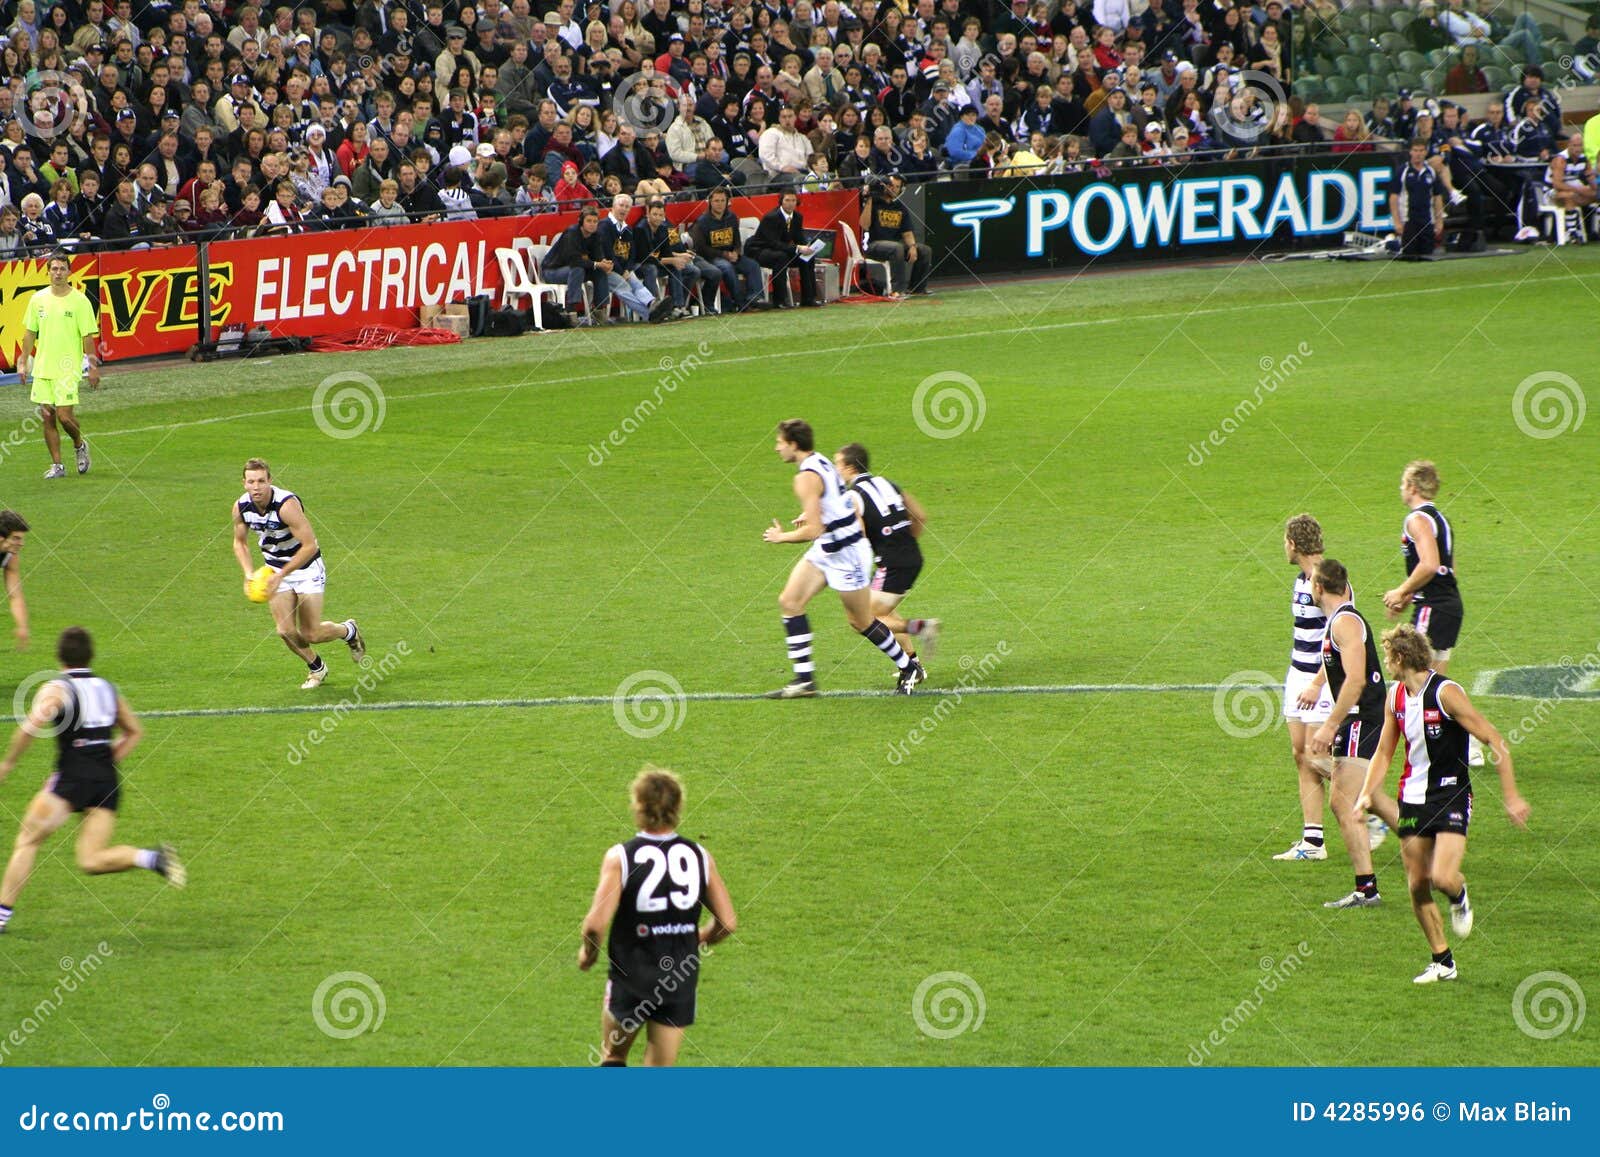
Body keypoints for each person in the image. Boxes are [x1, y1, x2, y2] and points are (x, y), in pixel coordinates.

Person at [1355, 624, 1530, 983]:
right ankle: (1442, 961)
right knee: (1417, 885)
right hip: (1411, 800)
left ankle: (1458, 892)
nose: (1385, 663)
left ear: (1400, 657)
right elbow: (1385, 750)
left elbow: (1494, 739)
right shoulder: (1395, 697)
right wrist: (1366, 792)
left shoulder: (1446, 693)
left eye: (1388, 656)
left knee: (1442, 877)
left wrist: (1511, 795)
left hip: (1450, 795)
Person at [0, 627, 186, 935]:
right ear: (91, 656)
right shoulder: (107, 688)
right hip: (105, 780)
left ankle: (1, 916)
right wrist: (102, 762)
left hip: (71, 780)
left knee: (29, 840)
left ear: (59, 656)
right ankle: (153, 858)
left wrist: (7, 764)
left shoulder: (57, 688)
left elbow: (30, 728)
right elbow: (134, 732)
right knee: (91, 860)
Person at [578, 767, 737, 1066]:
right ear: (678, 807)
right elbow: (727, 923)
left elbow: (595, 926)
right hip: (677, 976)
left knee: (613, 1056)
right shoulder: (699, 856)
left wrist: (588, 954)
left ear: (638, 806)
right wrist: (698, 938)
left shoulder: (621, 857)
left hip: (631, 976)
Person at [762, 419, 924, 698]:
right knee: (789, 601)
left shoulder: (804, 478)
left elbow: (813, 530)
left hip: (848, 554)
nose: (776, 448)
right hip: (829, 547)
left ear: (792, 444)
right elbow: (837, 502)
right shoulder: (820, 460)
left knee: (861, 621)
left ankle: (908, 666)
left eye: (779, 442)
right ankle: (805, 681)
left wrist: (781, 537)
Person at [1307, 558, 1401, 909]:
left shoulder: (1345, 622)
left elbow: (1357, 679)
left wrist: (1330, 725)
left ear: (1319, 588)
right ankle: (1425, 845)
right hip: (1360, 717)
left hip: (1364, 717)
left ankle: (1367, 890)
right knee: (1370, 798)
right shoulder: (1340, 619)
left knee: (1342, 802)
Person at [230, 458, 366, 690]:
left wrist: (281, 574)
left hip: (306, 567)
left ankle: (349, 631)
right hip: (274, 569)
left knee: (311, 632)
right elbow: (239, 543)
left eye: (261, 481)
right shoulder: (241, 507)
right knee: (285, 631)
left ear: (270, 481)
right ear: (244, 483)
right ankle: (316, 668)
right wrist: (249, 574)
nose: (256, 487)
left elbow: (309, 545)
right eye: (251, 481)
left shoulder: (286, 505)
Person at [1273, 515, 1341, 862]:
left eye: (1285, 541)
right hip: (1297, 675)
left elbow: (1341, 636)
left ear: (1294, 544)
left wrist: (1318, 683)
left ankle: (1367, 802)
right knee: (1301, 754)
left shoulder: (1326, 580)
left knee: (1317, 755)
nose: (1283, 547)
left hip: (1320, 679)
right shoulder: (1302, 579)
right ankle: (1313, 841)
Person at [833, 443, 938, 666]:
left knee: (863, 620)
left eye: (837, 464)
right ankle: (912, 663)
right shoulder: (887, 483)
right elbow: (920, 515)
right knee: (885, 612)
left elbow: (858, 536)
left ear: (850, 468)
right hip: (912, 557)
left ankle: (921, 627)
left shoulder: (853, 495)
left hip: (891, 565)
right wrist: (904, 543)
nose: (835, 470)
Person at [17, 252, 99, 480]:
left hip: (68, 368)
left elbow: (88, 337)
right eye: (54, 269)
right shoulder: (38, 299)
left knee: (64, 417)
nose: (58, 273)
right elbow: (30, 332)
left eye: (62, 269)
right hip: (43, 368)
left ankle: (79, 444)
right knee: (47, 418)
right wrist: (23, 361)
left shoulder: (80, 301)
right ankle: (57, 465)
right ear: (48, 272)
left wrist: (92, 366)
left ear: (69, 272)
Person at [1382, 461, 1464, 673]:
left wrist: (1401, 591)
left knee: (1414, 680)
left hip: (1432, 607)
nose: (1400, 488)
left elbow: (1430, 565)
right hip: (1450, 607)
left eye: (1403, 483)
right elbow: (1448, 568)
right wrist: (1408, 597)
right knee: (1434, 685)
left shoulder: (1417, 520)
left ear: (1412, 487)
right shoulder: (1442, 521)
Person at [691, 186, 761, 313]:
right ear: (710, 202)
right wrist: (724, 254)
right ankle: (741, 303)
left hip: (731, 253)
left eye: (723, 200)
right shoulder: (702, 222)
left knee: (753, 265)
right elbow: (701, 248)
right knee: (727, 267)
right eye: (716, 201)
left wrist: (736, 252)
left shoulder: (732, 218)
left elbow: (737, 240)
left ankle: (755, 299)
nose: (720, 204)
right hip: (712, 257)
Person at [745, 189, 820, 309]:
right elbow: (773, 243)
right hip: (759, 250)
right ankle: (779, 301)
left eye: (793, 200)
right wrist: (797, 248)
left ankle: (808, 298)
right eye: (787, 200)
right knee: (781, 257)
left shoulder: (797, 217)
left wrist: (807, 248)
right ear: (781, 201)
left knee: (808, 257)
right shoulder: (771, 217)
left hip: (781, 249)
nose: (790, 203)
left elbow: (799, 238)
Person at [861, 174, 930, 296]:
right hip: (872, 245)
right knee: (896, 247)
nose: (893, 189)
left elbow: (907, 232)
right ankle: (897, 290)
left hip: (893, 246)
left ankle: (916, 289)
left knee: (924, 250)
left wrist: (913, 247)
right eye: (891, 185)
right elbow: (864, 225)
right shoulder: (874, 202)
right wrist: (869, 199)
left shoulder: (900, 207)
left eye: (897, 187)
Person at [544, 205, 614, 325]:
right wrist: (598, 264)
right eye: (589, 221)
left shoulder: (595, 235)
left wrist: (604, 262)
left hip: (574, 269)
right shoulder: (571, 233)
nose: (592, 224)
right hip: (552, 271)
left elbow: (598, 256)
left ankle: (599, 310)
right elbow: (575, 261)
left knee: (599, 271)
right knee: (578, 269)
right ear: (581, 221)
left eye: (595, 221)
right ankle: (571, 311)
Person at [1389, 138, 1444, 260]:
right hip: (1408, 220)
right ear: (1410, 152)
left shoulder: (1431, 172)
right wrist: (1397, 221)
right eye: (1415, 150)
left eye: (1421, 150)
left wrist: (1439, 220)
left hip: (1427, 220)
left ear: (1426, 152)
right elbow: (1393, 197)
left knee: (1428, 256)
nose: (1418, 154)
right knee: (1409, 256)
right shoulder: (1402, 171)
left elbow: (1437, 197)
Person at [0, 511, 29, 653]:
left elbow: (15, 595)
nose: (21, 544)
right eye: (16, 538)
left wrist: (22, 626)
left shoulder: (10, 555)